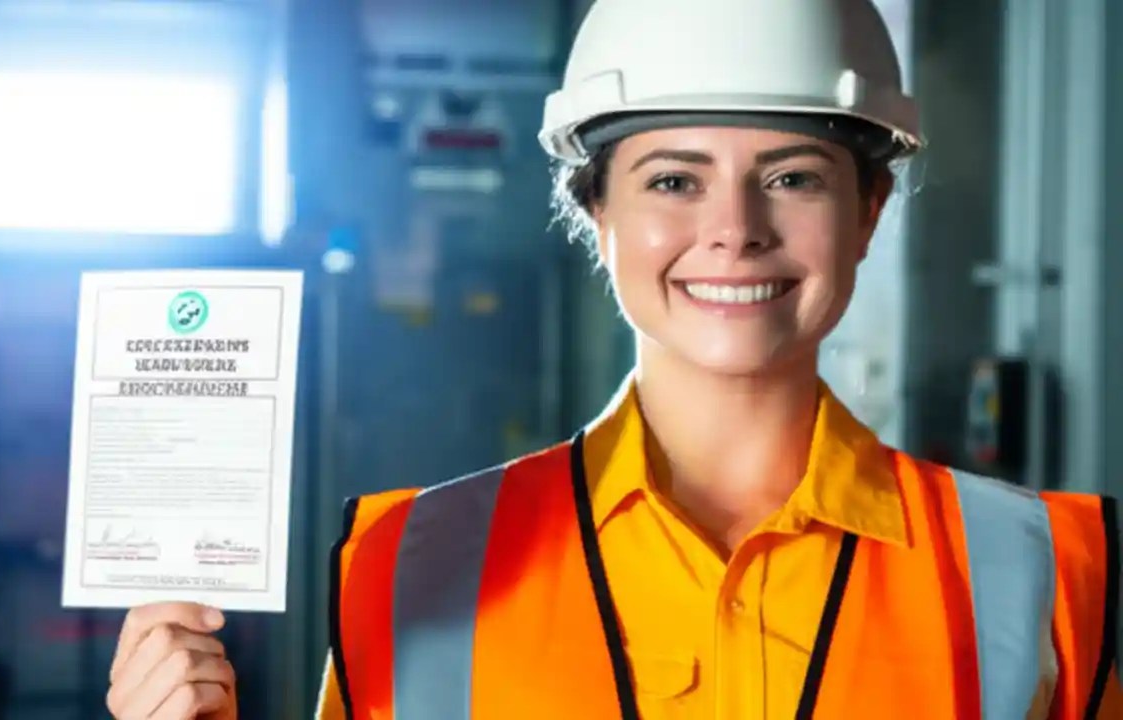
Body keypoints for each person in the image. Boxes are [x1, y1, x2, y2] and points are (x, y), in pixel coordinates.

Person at [105, 0, 1123, 717]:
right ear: (596, 215)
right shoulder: (404, 561)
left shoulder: (1046, 570)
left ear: (867, 211)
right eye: (673, 182)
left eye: (792, 177)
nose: (733, 229)